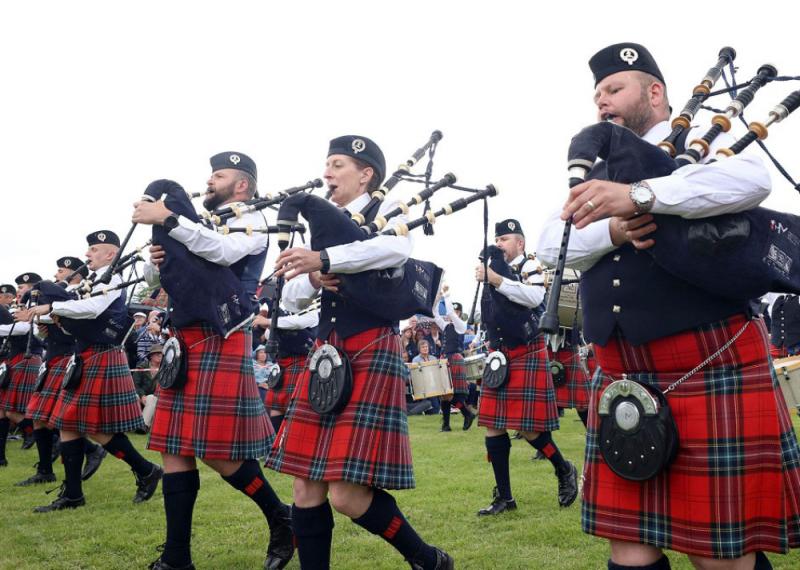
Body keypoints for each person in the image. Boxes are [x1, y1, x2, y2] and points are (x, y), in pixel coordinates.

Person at [537, 42, 800, 569]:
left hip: (708, 362)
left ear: (654, 92)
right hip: (623, 375)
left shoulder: (701, 152)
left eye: (614, 89)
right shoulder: (596, 169)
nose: (601, 102)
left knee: (719, 555)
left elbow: (752, 182)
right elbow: (551, 244)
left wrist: (640, 196)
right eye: (596, 95)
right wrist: (613, 226)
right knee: (628, 547)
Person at [265, 135, 453, 570]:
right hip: (326, 355)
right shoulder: (325, 226)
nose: (327, 172)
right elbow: (290, 295)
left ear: (366, 174)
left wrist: (326, 259)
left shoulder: (385, 211)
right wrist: (313, 276)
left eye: (337, 164)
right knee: (304, 488)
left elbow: (395, 249)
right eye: (326, 164)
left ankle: (427, 559)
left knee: (349, 497)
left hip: (371, 350)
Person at [133, 151, 293, 570]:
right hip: (184, 337)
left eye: (217, 176)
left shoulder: (256, 219)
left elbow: (222, 253)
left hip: (222, 337)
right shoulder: (199, 223)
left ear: (241, 184)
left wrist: (169, 219)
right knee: (173, 450)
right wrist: (159, 261)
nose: (208, 182)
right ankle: (176, 559)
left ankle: (282, 518)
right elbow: (164, 276)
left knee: (220, 455)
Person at [20, 231, 162, 513]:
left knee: (95, 429)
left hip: (102, 354)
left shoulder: (116, 277)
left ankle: (146, 470)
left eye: (94, 249)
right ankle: (73, 494)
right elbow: (73, 307)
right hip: (85, 356)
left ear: (111, 254)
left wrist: (52, 307)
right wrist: (41, 312)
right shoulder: (91, 281)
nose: (88, 255)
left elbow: (92, 308)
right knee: (69, 424)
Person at [475, 219, 578, 516]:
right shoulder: (491, 268)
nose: (499, 244)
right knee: (493, 426)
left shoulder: (529, 266)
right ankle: (504, 497)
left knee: (528, 428)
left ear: (520, 243)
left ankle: (563, 468)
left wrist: (495, 279)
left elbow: (535, 298)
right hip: (500, 352)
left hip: (525, 350)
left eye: (505, 238)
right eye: (497, 239)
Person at [16, 257, 86, 486]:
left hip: (67, 357)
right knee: (38, 416)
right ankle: (46, 470)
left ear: (75, 273)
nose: (58, 274)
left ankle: (93, 451)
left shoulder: (79, 293)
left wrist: (42, 315)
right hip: (53, 357)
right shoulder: (59, 294)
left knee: (60, 420)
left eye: (62, 270)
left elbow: (74, 320)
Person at [253, 302, 318, 433]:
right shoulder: (283, 302)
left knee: (296, 414)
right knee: (276, 411)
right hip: (282, 367)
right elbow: (267, 335)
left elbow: (302, 321)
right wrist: (266, 323)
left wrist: (269, 321)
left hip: (302, 364)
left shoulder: (314, 296)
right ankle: (276, 449)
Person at [433, 296, 476, 431]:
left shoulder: (461, 325)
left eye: (457, 312)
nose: (453, 314)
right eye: (454, 311)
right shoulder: (446, 326)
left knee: (454, 395)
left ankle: (467, 414)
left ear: (459, 313)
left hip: (455, 359)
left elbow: (450, 312)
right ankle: (446, 424)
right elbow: (434, 314)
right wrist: (436, 298)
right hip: (445, 359)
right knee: (444, 393)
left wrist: (446, 296)